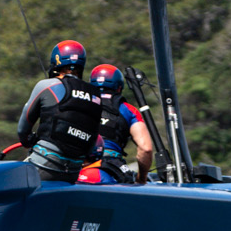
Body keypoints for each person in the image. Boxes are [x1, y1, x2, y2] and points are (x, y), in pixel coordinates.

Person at [15, 39, 106, 182]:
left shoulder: (46, 85)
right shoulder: (96, 95)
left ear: (56, 62)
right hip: (74, 171)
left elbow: (23, 130)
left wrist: (28, 141)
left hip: (43, 164)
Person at [77, 63, 155, 184]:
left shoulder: (78, 104)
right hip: (110, 167)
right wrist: (141, 179)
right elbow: (146, 149)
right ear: (119, 88)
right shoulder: (129, 110)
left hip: (78, 165)